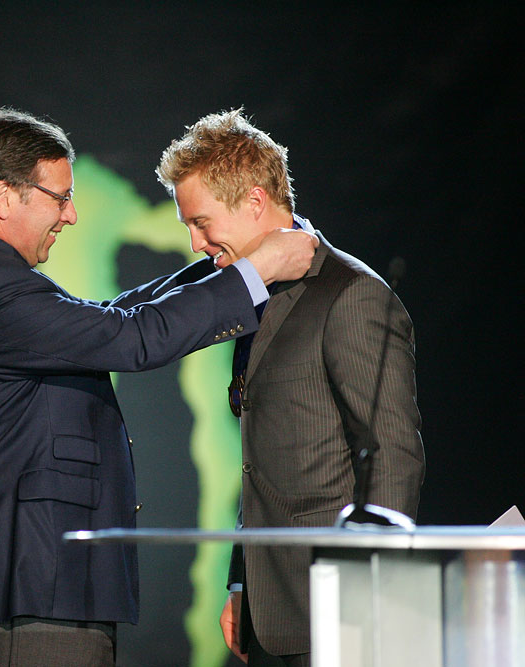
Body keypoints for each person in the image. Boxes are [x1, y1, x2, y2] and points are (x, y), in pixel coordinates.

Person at [0, 107, 317, 666]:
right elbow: (130, 339)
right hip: (30, 589)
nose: (71, 215)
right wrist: (257, 270)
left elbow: (105, 321)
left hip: (29, 587)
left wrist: (225, 266)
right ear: (6, 197)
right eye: (60, 197)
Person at [156, 108, 425, 667]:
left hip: (338, 614)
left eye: (202, 222)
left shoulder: (352, 295)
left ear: (255, 201)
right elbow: (261, 462)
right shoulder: (249, 295)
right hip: (265, 610)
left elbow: (394, 456)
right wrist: (240, 583)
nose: (194, 242)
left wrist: (370, 597)